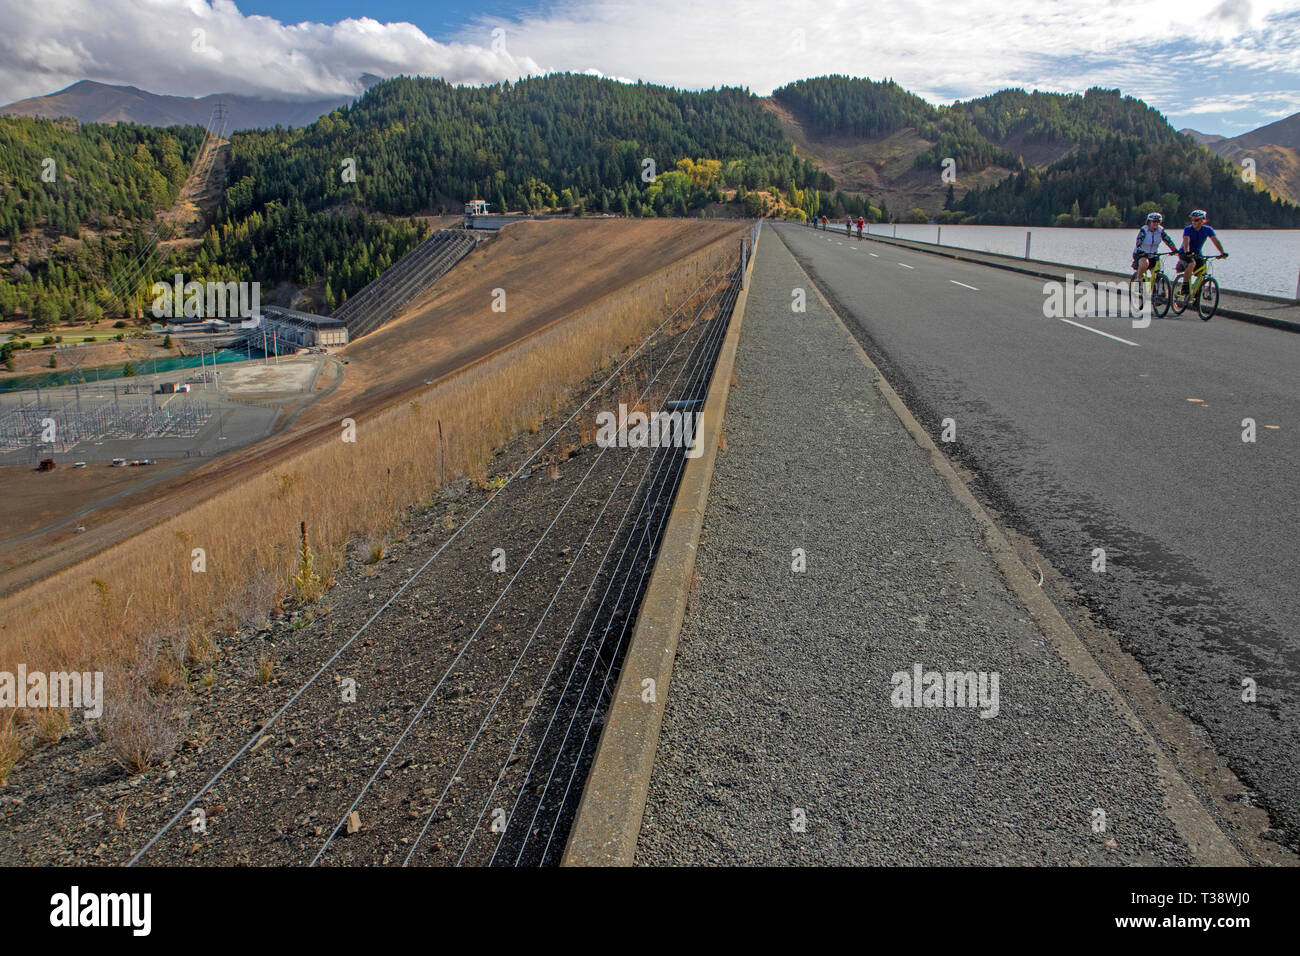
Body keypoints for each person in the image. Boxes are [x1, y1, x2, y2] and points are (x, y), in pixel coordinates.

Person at [1178, 209, 1228, 294]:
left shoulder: (1208, 229)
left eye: (1196, 220)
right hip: (1185, 252)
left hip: (1197, 253)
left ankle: (1196, 295)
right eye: (1192, 220)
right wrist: (1187, 251)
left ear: (1203, 220)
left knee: (1201, 274)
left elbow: (1215, 241)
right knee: (1192, 263)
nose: (1193, 222)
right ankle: (1185, 287)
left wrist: (1222, 253)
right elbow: (1186, 241)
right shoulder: (1188, 229)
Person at [1132, 212, 1178, 282]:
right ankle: (1138, 279)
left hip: (1153, 254)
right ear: (1149, 222)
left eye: (1158, 221)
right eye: (1154, 221)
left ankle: (1152, 290)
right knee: (1145, 264)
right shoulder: (1144, 230)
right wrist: (1139, 250)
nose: (1156, 223)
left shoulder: (1160, 231)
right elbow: (1138, 242)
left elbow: (1168, 240)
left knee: (1156, 273)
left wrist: (1174, 249)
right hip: (1142, 254)